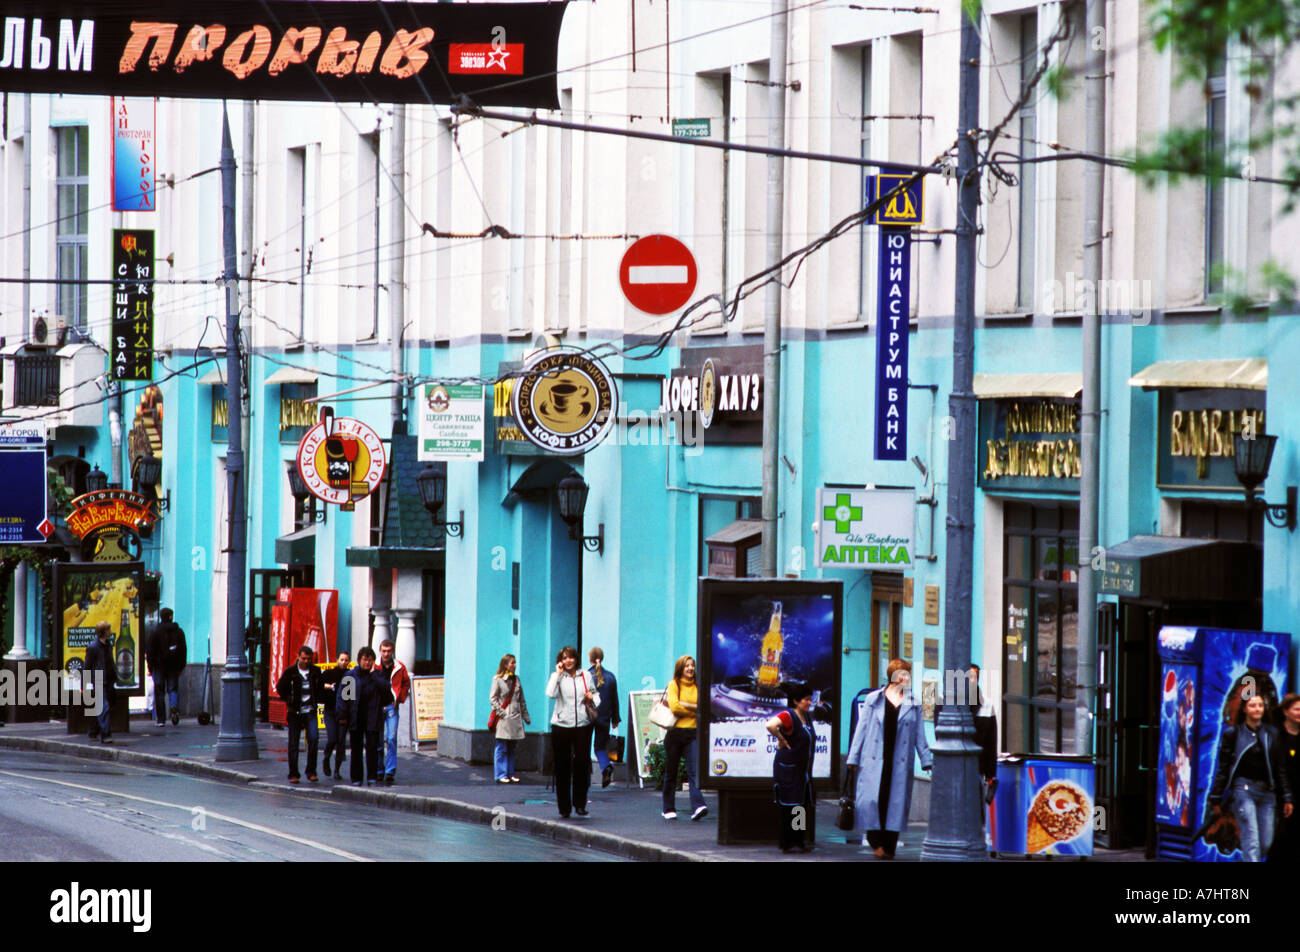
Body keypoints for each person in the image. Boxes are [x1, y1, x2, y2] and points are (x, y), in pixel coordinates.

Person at [846, 658, 932, 859]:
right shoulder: (873, 699)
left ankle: (889, 845)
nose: (907, 678)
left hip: (899, 761)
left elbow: (920, 734)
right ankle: (876, 843)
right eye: (903, 674)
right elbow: (862, 729)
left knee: (896, 803)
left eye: (908, 674)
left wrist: (926, 759)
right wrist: (853, 758)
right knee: (873, 801)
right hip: (874, 759)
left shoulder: (913, 702)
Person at [1208, 692, 1294, 862]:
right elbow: (1223, 767)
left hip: (1267, 792)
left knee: (1266, 842)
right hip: (1243, 789)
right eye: (1253, 706)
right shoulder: (1233, 734)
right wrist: (1216, 796)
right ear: (1245, 709)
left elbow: (1279, 768)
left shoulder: (1272, 734)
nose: (1257, 709)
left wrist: (1286, 796)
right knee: (1251, 838)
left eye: (1260, 705)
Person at [934, 664, 999, 813]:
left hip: (976, 765)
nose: (971, 680)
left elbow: (991, 741)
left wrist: (991, 774)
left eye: (974, 677)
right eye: (967, 677)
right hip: (951, 765)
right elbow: (939, 734)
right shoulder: (944, 700)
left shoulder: (986, 705)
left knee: (974, 809)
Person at [546, 645, 599, 818]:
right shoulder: (558, 676)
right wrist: (558, 675)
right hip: (561, 725)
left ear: (576, 659)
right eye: (564, 658)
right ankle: (564, 807)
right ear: (560, 661)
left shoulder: (586, 675)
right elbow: (550, 693)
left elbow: (596, 694)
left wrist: (593, 698)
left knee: (582, 764)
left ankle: (580, 804)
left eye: (571, 657)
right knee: (562, 767)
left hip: (582, 725)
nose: (568, 661)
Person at [767, 682, 817, 853]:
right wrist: (781, 738)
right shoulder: (789, 715)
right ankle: (787, 842)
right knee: (790, 805)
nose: (810, 702)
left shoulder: (806, 717)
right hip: (789, 767)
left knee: (800, 804)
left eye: (810, 699)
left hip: (802, 770)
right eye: (806, 700)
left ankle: (798, 840)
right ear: (796, 701)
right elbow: (770, 725)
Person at [661, 654, 708, 822]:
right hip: (675, 733)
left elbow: (705, 706)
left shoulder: (698, 686)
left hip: (692, 733)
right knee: (671, 772)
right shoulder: (674, 684)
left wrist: (686, 705)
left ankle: (698, 806)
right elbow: (674, 707)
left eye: (692, 665)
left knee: (694, 771)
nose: (690, 668)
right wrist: (695, 709)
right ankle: (668, 808)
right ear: (680, 668)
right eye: (687, 666)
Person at [337, 645, 391, 786]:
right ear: (359, 660)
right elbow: (344, 698)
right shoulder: (351, 676)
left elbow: (386, 690)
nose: (367, 663)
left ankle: (372, 777)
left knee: (372, 747)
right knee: (356, 748)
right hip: (356, 717)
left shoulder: (378, 675)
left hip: (373, 717)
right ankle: (356, 778)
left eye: (370, 660)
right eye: (364, 660)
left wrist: (373, 674)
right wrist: (343, 716)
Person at [276, 645, 325, 783]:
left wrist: (318, 704)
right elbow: (280, 688)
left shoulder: (316, 671)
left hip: (311, 710)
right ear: (298, 657)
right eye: (303, 658)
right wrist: (289, 699)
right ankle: (293, 773)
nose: (306, 661)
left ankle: (311, 771)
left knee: (314, 739)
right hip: (295, 712)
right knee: (293, 743)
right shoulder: (290, 672)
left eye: (309, 659)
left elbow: (320, 689)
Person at [1269, 693, 1300, 863]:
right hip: (1279, 795)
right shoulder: (1275, 735)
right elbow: (1277, 768)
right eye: (1296, 709)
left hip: (1297, 793)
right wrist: (1286, 795)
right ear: (1286, 712)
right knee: (1279, 839)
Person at [490, 653, 531, 783]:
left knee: (512, 747)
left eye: (515, 662)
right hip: (504, 719)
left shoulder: (516, 680)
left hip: (515, 717)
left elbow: (521, 700)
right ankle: (500, 774)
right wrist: (502, 713)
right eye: (512, 662)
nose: (515, 665)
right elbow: (493, 698)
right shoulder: (498, 679)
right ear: (505, 664)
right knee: (501, 746)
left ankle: (510, 772)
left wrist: (525, 716)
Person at [377, 639, 412, 786]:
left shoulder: (399, 666)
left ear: (393, 651)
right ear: (380, 651)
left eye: (389, 651)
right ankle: (379, 769)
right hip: (377, 707)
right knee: (377, 740)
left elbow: (406, 683)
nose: (386, 653)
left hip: (391, 707)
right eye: (384, 651)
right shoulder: (375, 665)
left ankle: (390, 771)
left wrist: (400, 698)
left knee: (391, 738)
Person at [145, 607, 187, 726]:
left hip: (159, 666)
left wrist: (150, 666)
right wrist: (181, 666)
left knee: (159, 691)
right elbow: (183, 650)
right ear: (171, 616)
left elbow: (150, 650)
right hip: (173, 666)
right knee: (173, 689)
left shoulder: (156, 632)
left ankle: (161, 719)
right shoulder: (179, 632)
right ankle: (174, 707)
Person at [588, 646, 621, 788]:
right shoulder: (611, 677)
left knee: (584, 747)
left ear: (590, 659)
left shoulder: (586, 676)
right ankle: (605, 766)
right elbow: (615, 699)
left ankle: (584, 776)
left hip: (587, 718)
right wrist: (615, 718)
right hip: (605, 718)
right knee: (600, 747)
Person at [83, 621, 117, 744]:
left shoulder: (108, 644)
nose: (110, 631)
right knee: (104, 706)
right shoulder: (93, 647)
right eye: (108, 629)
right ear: (103, 631)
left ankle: (93, 731)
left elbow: (109, 662)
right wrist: (85, 683)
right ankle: (106, 734)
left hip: (108, 679)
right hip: (98, 679)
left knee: (104, 706)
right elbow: (87, 666)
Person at [320, 650, 351, 778]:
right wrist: (327, 686)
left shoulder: (350, 676)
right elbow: (318, 686)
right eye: (342, 659)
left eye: (346, 660)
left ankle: (337, 770)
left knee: (341, 741)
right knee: (332, 738)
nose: (344, 662)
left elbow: (351, 696)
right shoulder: (329, 673)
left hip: (343, 713)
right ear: (337, 659)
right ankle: (326, 758)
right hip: (330, 711)